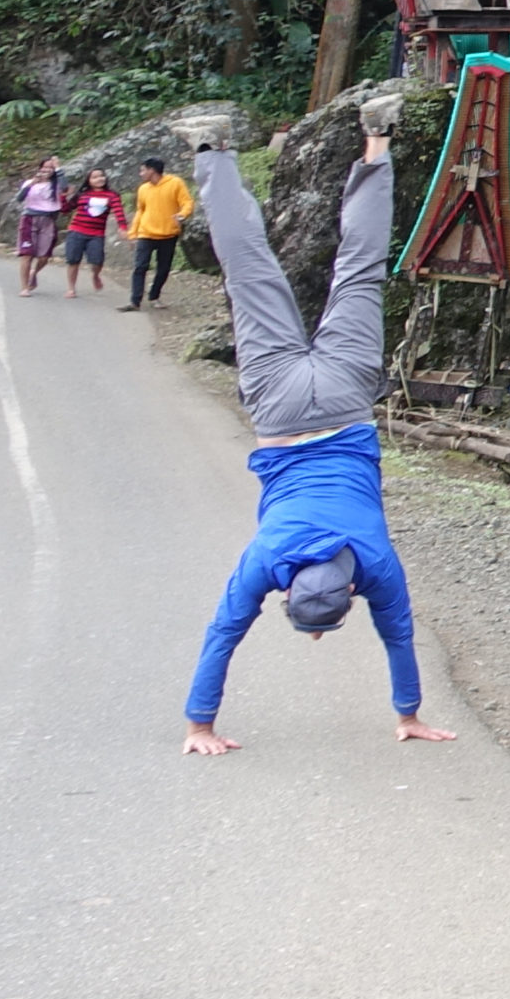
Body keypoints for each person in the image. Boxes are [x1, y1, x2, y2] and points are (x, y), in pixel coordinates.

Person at [181, 102, 455, 756]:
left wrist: (409, 712)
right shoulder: (268, 560)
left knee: (359, 264)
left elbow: (400, 636)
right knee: (249, 274)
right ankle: (213, 150)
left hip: (345, 395)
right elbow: (221, 634)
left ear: (350, 587)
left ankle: (378, 139)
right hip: (276, 406)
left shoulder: (375, 565)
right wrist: (199, 726)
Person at [122, 154, 195, 310]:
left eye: (143, 170)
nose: (140, 174)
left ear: (152, 170)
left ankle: (154, 296)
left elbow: (187, 202)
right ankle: (135, 301)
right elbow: (140, 211)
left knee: (163, 268)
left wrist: (182, 215)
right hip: (146, 233)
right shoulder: (143, 189)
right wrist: (132, 234)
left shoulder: (175, 183)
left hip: (169, 233)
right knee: (140, 267)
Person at [60, 166, 125, 297]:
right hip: (76, 231)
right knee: (73, 260)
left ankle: (95, 275)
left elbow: (119, 212)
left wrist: (122, 227)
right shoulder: (82, 195)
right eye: (95, 177)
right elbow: (65, 209)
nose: (99, 179)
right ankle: (71, 288)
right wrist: (63, 196)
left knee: (97, 261)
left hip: (96, 234)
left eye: (101, 176)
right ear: (89, 180)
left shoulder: (112, 195)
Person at [14, 155, 64, 296]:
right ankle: (24, 287)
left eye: (51, 167)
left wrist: (58, 167)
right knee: (27, 254)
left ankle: (34, 272)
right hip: (29, 218)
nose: (47, 170)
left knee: (44, 256)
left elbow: (65, 187)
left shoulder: (56, 184)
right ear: (39, 168)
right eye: (45, 167)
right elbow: (19, 198)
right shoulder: (31, 182)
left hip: (48, 220)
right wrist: (32, 184)